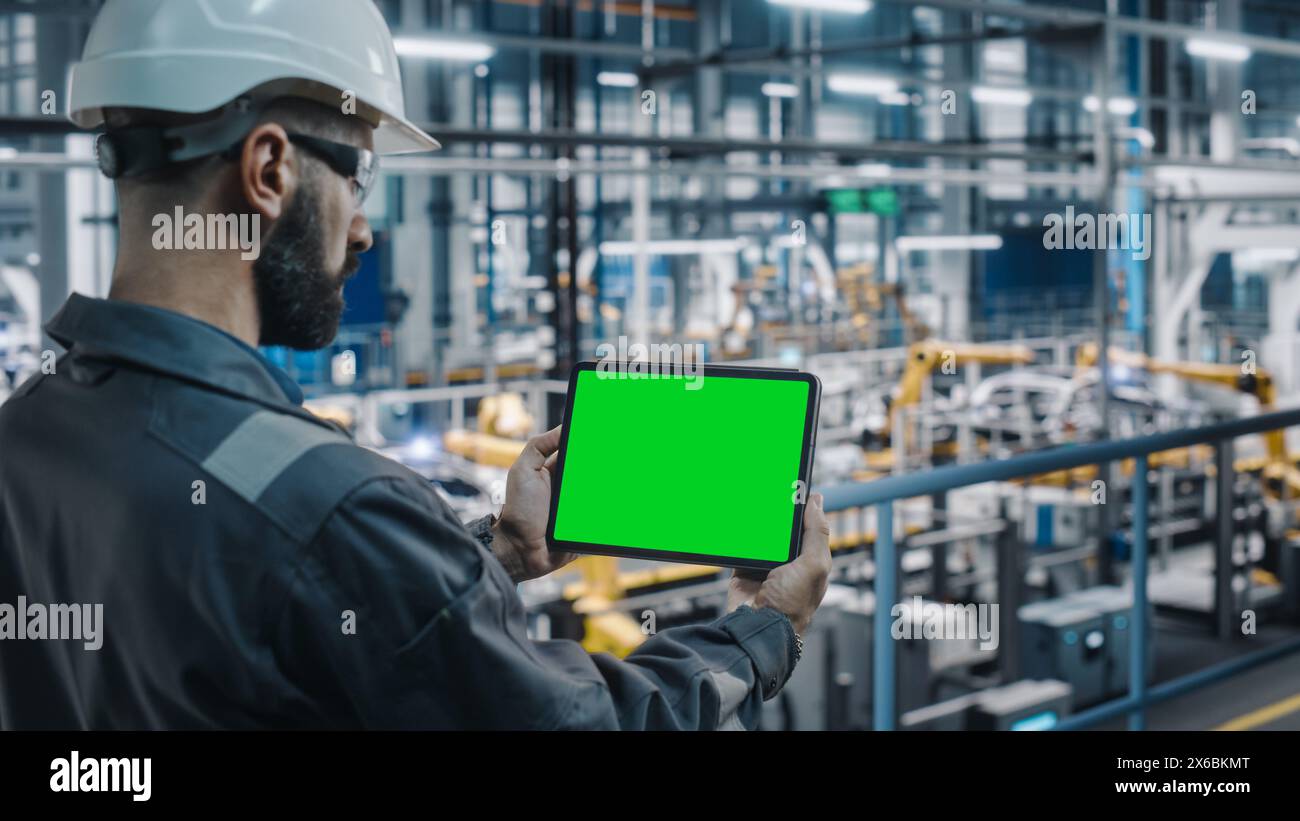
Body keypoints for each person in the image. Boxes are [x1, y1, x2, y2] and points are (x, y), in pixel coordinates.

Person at [0, 0, 831, 730]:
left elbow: (239, 605)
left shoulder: (29, 430)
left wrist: (497, 550)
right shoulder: (331, 500)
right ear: (269, 170)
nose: (361, 230)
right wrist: (761, 627)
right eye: (358, 176)